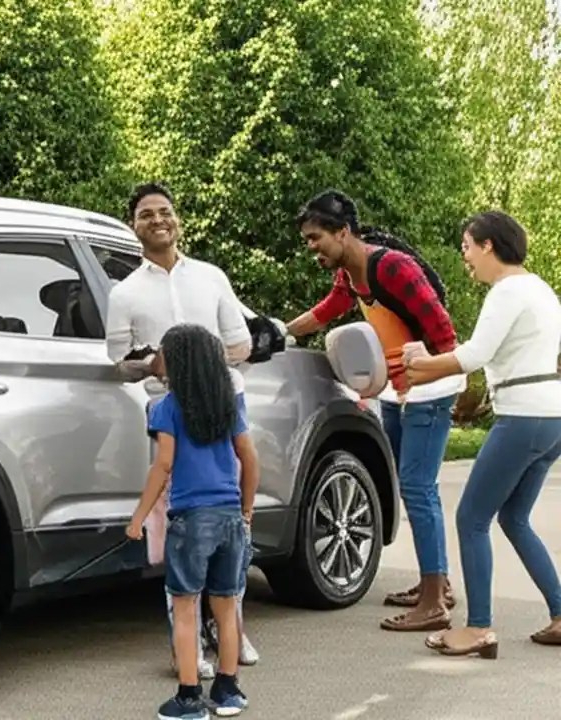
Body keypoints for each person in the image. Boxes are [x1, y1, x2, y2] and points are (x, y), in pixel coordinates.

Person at [284, 190, 462, 632]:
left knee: (418, 489)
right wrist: (278, 332)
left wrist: (428, 378)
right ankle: (436, 586)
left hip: (429, 387)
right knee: (415, 487)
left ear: (343, 232)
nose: (311, 247)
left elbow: (444, 333)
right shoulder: (351, 274)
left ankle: (434, 602)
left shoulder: (393, 268)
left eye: (316, 237)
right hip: (399, 391)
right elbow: (327, 311)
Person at [104, 183, 259, 679]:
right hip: (168, 410)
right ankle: (186, 648)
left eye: (165, 211)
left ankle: (231, 626)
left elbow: (241, 345)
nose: (157, 220)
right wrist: (154, 363)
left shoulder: (211, 277)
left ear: (178, 220)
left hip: (222, 403)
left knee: (227, 515)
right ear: (135, 225)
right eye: (146, 214)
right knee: (179, 528)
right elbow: (117, 362)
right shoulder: (124, 292)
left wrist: (203, 366)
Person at [407, 211, 561, 658]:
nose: (465, 258)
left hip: (523, 417)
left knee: (471, 518)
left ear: (489, 245)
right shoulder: (540, 289)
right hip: (551, 417)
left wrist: (418, 366)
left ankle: (478, 628)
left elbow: (474, 355)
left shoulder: (507, 290)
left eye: (467, 248)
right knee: (513, 518)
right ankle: (559, 612)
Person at [126, 323, 259, 719]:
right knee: (226, 606)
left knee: (186, 608)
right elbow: (249, 459)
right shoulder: (228, 405)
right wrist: (246, 511)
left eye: (163, 353)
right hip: (231, 517)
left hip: (190, 520)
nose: (156, 360)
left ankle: (188, 698)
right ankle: (229, 690)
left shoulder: (167, 407)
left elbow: (162, 465)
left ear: (179, 361)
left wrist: (138, 518)